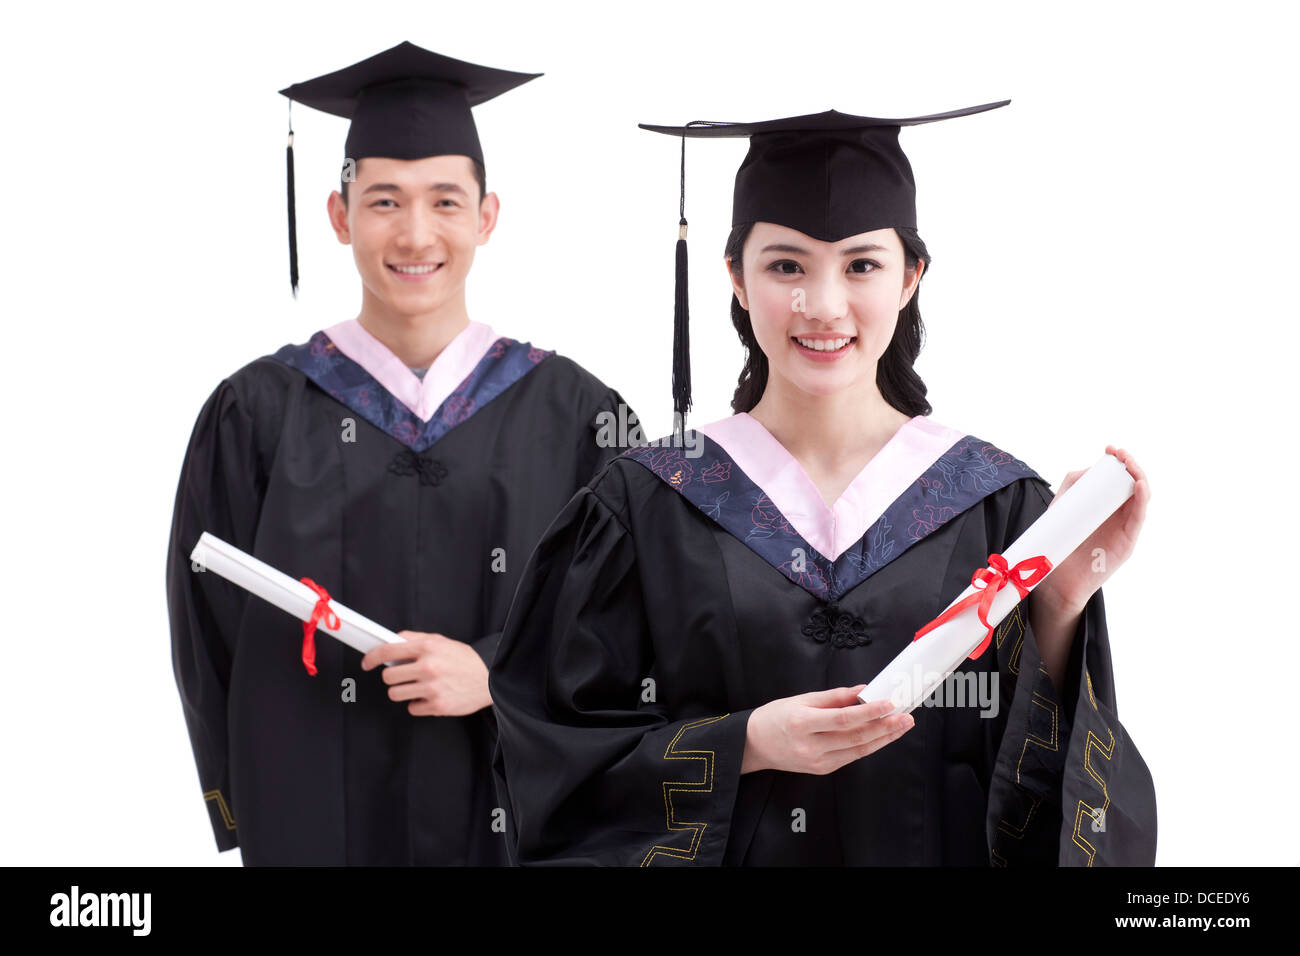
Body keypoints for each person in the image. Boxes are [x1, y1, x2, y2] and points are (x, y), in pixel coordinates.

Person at [488, 101, 1157, 865]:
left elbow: (1055, 791)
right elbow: (551, 757)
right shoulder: (645, 503)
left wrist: (1060, 605)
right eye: (786, 266)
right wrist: (743, 745)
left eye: (862, 265)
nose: (824, 305)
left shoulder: (997, 505)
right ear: (736, 278)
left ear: (911, 277)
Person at [166, 42, 636, 865]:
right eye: (384, 201)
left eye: (445, 202)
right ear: (340, 215)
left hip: (518, 827)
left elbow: (632, 626)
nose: (416, 233)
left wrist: (497, 676)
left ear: (486, 217)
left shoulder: (578, 416)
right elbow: (207, 633)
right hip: (315, 824)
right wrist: (249, 810)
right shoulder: (257, 413)